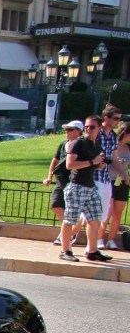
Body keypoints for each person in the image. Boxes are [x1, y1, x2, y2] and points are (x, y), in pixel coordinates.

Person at [59, 118, 112, 263]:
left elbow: (92, 164)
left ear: (99, 128)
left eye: (92, 127)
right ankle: (65, 250)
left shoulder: (95, 145)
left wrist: (97, 166)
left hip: (90, 186)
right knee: (70, 219)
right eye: (87, 127)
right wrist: (91, 162)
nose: (88, 129)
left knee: (95, 219)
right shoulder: (79, 143)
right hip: (77, 186)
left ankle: (92, 251)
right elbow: (70, 164)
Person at [95, 106, 121, 249]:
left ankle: (69, 236)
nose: (118, 121)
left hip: (107, 179)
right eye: (116, 118)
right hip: (94, 178)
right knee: (94, 214)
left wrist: (125, 175)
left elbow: (115, 160)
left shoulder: (113, 136)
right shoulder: (97, 133)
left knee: (103, 213)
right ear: (106, 118)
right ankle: (92, 245)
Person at [102, 123, 130, 250]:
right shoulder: (113, 145)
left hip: (123, 182)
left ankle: (111, 240)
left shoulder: (128, 147)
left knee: (117, 213)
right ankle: (99, 238)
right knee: (108, 211)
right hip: (110, 179)